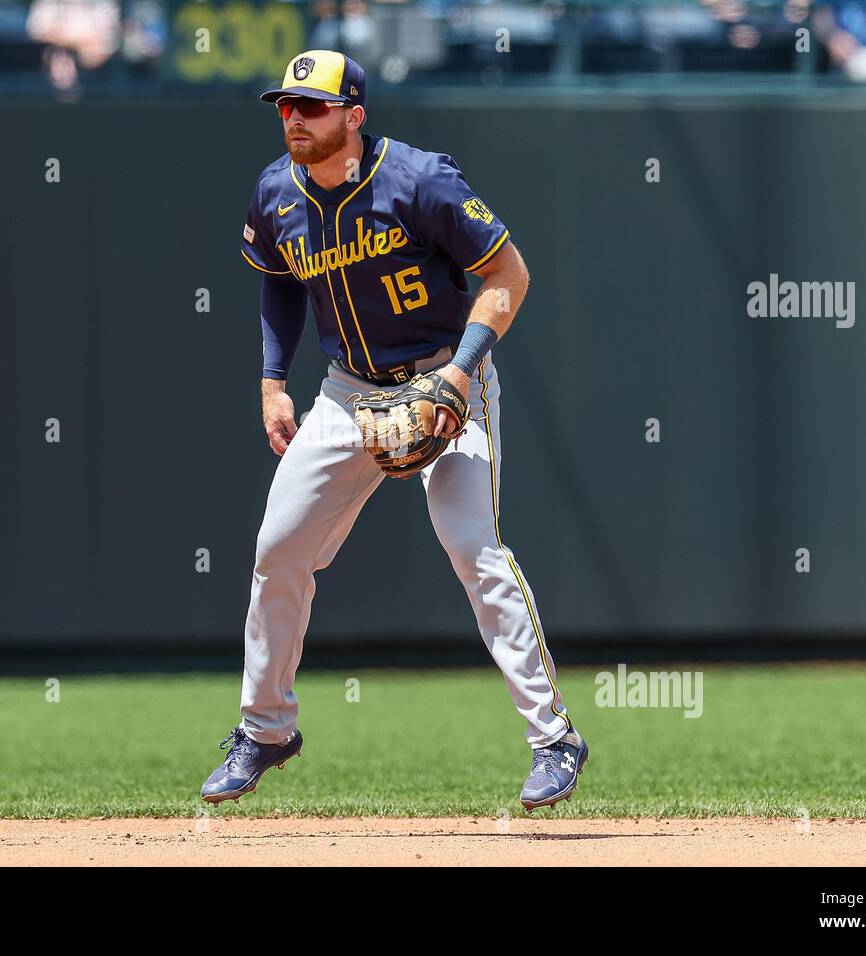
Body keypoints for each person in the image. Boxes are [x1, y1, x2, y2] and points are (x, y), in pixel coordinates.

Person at [199, 50, 587, 812]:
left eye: (311, 106)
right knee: (278, 550)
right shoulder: (277, 191)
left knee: (474, 548)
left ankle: (555, 739)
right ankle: (267, 730)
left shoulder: (419, 181)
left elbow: (509, 274)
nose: (294, 119)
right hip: (345, 394)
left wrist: (462, 372)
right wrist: (273, 382)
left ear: (355, 115)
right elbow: (279, 282)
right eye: (286, 105)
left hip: (445, 376)